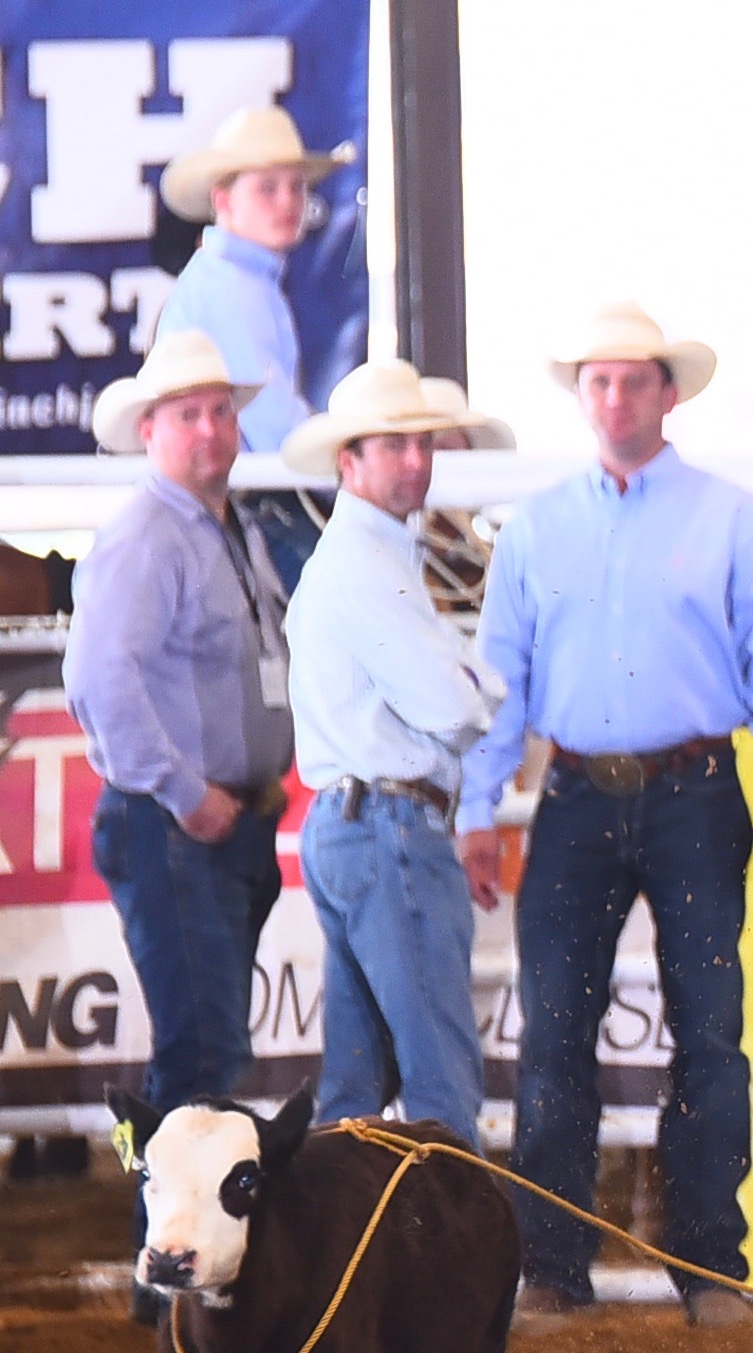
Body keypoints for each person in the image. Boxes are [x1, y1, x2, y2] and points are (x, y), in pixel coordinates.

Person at [460, 304, 753, 1331]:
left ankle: (710, 1262)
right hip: (576, 795)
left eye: (633, 382)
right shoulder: (536, 528)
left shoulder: (731, 519)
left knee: (709, 1030)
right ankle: (555, 1265)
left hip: (696, 789)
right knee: (556, 1031)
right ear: (584, 398)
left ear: (668, 394)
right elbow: (504, 679)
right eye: (600, 383)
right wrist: (479, 802)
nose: (616, 399)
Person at [67, 330, 291, 1310]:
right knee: (200, 1056)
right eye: (191, 414)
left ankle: (172, 1272)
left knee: (202, 1049)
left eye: (222, 411)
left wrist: (243, 783)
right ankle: (164, 1283)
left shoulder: (221, 529)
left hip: (213, 821)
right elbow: (98, 678)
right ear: (151, 430)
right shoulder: (152, 535)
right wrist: (185, 787)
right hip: (176, 822)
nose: (213, 429)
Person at [281, 362, 509, 1152]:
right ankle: (461, 1270)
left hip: (355, 822)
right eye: (393, 446)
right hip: (391, 825)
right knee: (439, 1074)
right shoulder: (368, 569)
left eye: (421, 444)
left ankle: (344, 1267)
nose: (414, 461)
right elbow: (456, 706)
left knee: (356, 1085)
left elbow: (453, 697)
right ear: (351, 460)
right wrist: (476, 682)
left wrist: (462, 685)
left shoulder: (362, 560)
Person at [157, 105, 355, 588]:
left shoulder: (239, 282)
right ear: (222, 201)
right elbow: (273, 425)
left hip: (245, 495)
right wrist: (354, 472)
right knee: (343, 591)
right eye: (267, 188)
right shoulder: (233, 288)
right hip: (253, 503)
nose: (287, 201)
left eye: (295, 187)